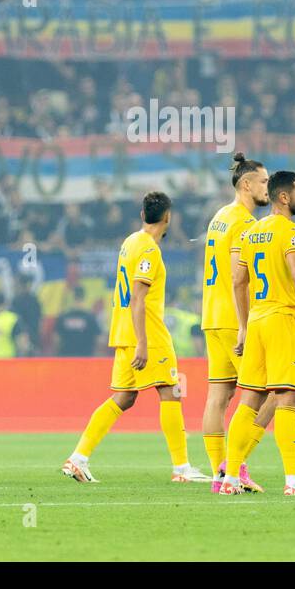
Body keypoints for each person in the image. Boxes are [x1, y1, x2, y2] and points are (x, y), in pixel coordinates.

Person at [61, 191, 208, 484]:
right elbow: (139, 299)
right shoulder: (149, 250)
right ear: (168, 217)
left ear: (143, 215)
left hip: (123, 330)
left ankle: (78, 458)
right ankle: (182, 469)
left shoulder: (130, 242)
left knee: (124, 397)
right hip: (147, 333)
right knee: (171, 391)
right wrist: (143, 342)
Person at [220, 170, 295, 496]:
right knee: (288, 397)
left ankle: (228, 478)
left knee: (250, 399)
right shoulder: (291, 230)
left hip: (256, 322)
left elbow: (238, 281)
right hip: (284, 321)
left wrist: (243, 325)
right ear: (284, 197)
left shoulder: (251, 232)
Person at [199, 152, 271, 492]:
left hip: (212, 316)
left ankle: (219, 473)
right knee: (271, 390)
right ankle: (235, 467)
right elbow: (236, 275)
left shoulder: (220, 217)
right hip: (234, 318)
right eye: (264, 181)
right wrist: (245, 325)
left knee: (219, 395)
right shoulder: (245, 222)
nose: (268, 188)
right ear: (246, 184)